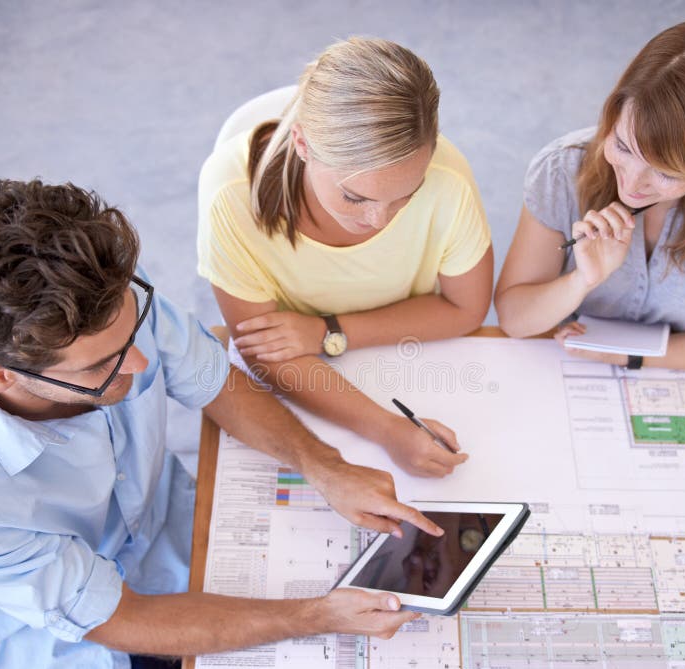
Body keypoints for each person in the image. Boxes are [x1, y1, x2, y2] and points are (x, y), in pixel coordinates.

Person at [0, 180, 444, 669]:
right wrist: (314, 616)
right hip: (59, 646)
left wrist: (326, 468)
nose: (139, 366)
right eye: (101, 367)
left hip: (166, 535)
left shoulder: (102, 300)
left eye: (134, 327)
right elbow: (121, 617)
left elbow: (214, 381)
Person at [197, 38, 494, 477]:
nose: (378, 220)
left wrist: (328, 332)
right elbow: (264, 350)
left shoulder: (449, 181)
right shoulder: (229, 194)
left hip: (395, 359)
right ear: (301, 143)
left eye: (405, 196)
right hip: (318, 381)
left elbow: (467, 308)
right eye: (355, 197)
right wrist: (387, 430)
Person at [495, 18, 685, 371]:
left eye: (666, 172)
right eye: (623, 146)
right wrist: (581, 280)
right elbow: (514, 320)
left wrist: (629, 356)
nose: (631, 184)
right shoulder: (561, 171)